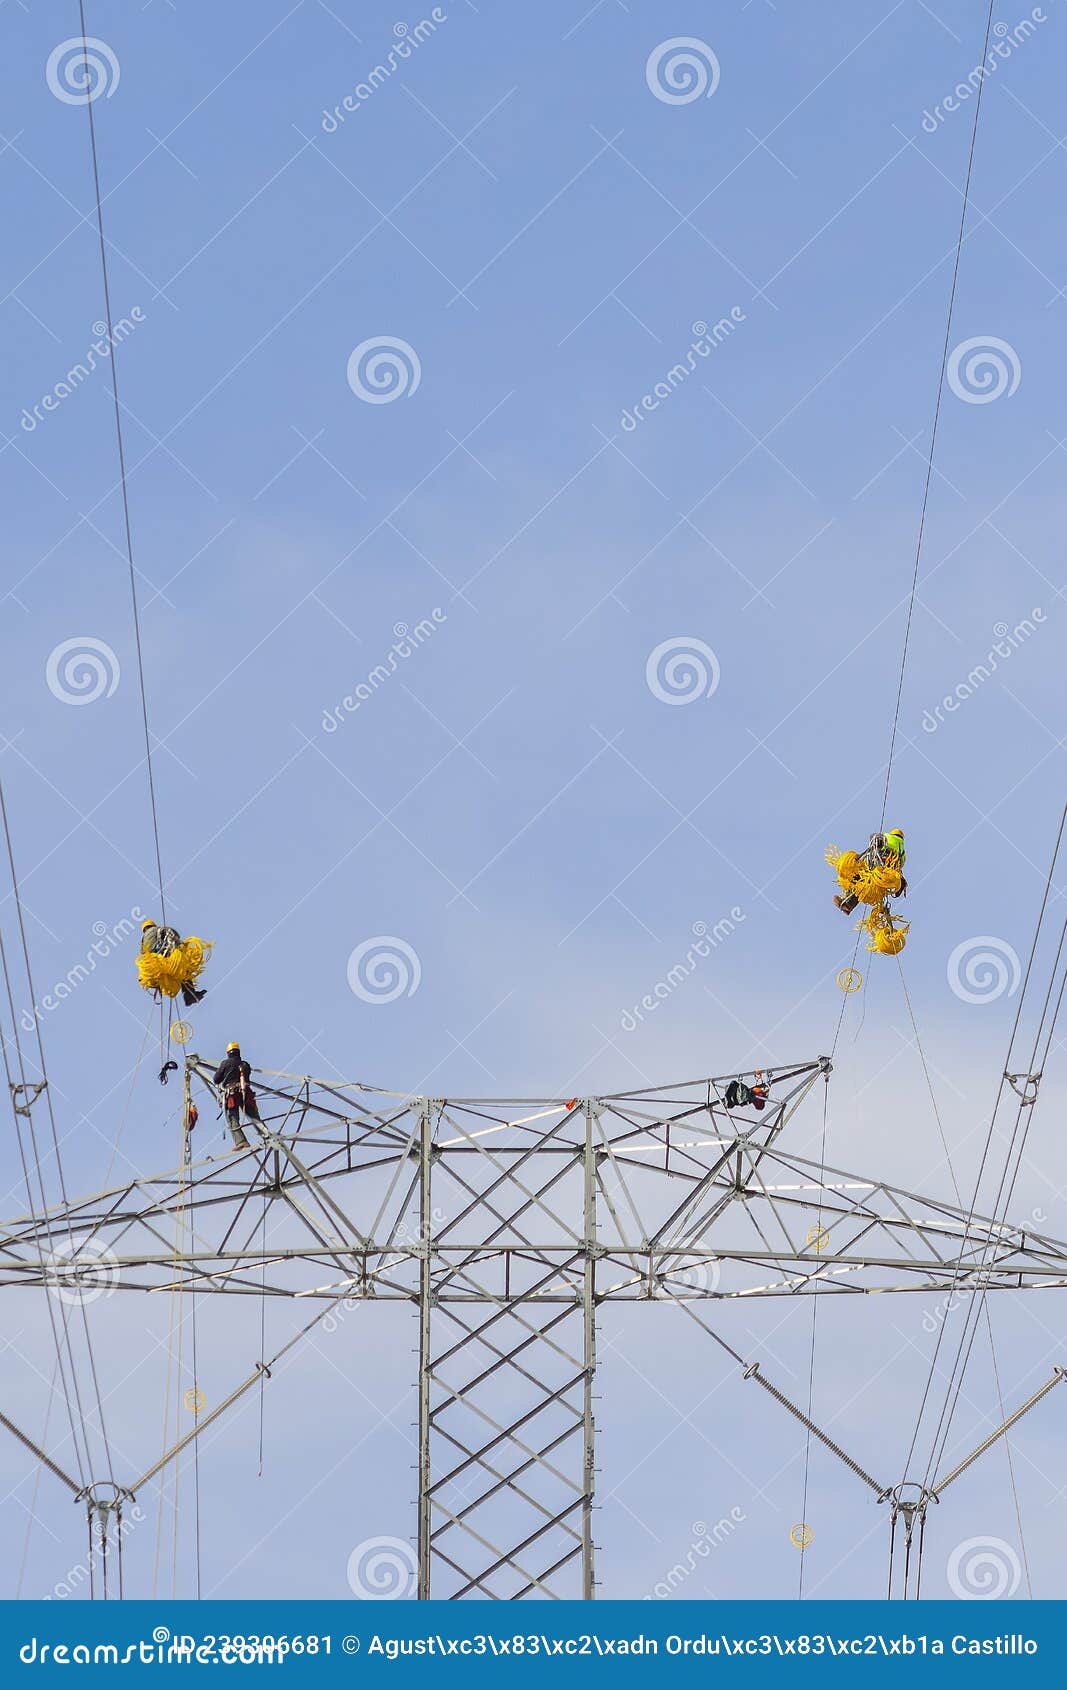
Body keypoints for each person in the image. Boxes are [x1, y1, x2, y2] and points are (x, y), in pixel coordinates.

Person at [833, 829, 907, 915]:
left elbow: (873, 836)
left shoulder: (888, 836)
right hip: (886, 873)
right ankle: (848, 904)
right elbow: (899, 866)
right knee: (867, 886)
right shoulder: (903, 853)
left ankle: (848, 903)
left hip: (878, 861)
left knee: (859, 877)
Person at [138, 919, 208, 1006]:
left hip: (153, 967)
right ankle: (189, 996)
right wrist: (180, 945)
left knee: (166, 978)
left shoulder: (143, 941)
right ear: (153, 925)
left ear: (144, 930)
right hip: (164, 959)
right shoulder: (157, 930)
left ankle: (188, 996)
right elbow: (173, 934)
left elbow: (143, 955)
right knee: (184, 972)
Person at [212, 1042, 261, 1151]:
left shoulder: (225, 1063)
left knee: (232, 1118)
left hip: (232, 1094)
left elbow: (216, 1079)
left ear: (228, 1053)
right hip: (245, 1092)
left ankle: (241, 1141)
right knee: (254, 1116)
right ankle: (265, 1134)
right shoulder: (245, 1065)